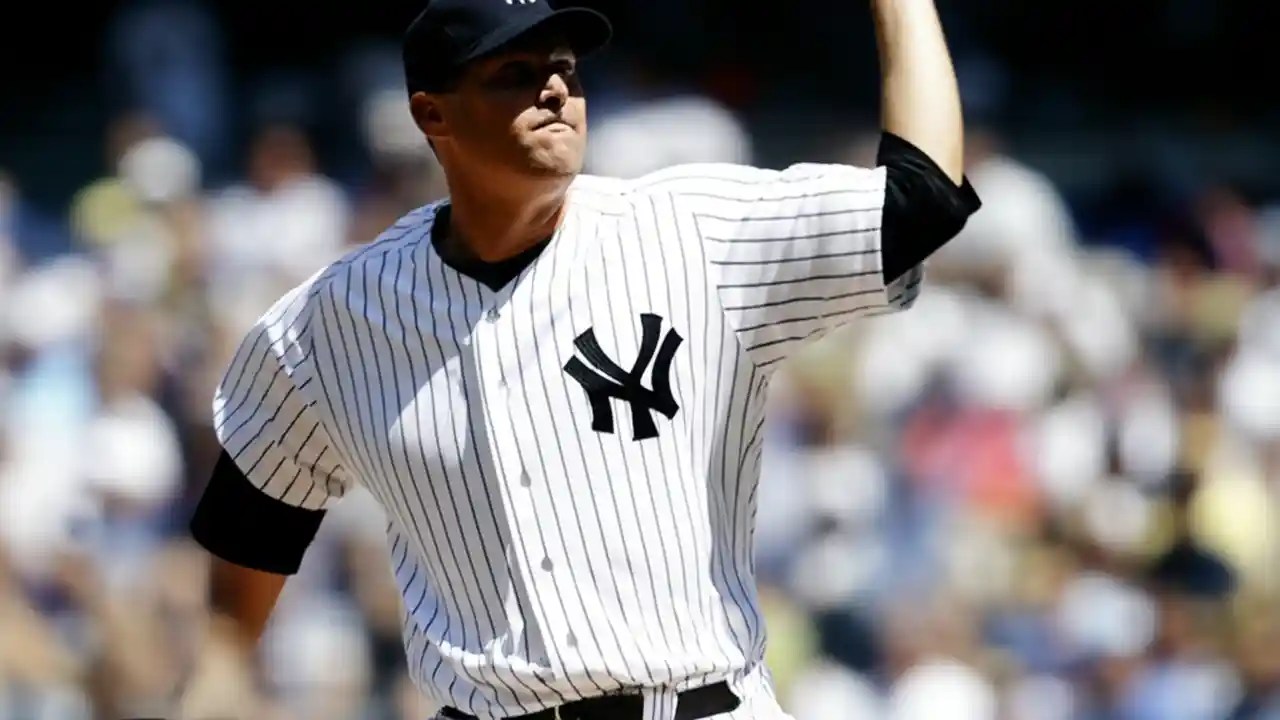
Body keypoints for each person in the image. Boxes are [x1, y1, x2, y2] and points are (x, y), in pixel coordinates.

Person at [185, 0, 981, 718]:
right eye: (514, 73)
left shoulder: (690, 232)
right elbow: (252, 526)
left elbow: (921, 202)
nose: (555, 91)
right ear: (432, 113)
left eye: (565, 68)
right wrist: (216, 681)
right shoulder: (335, 319)